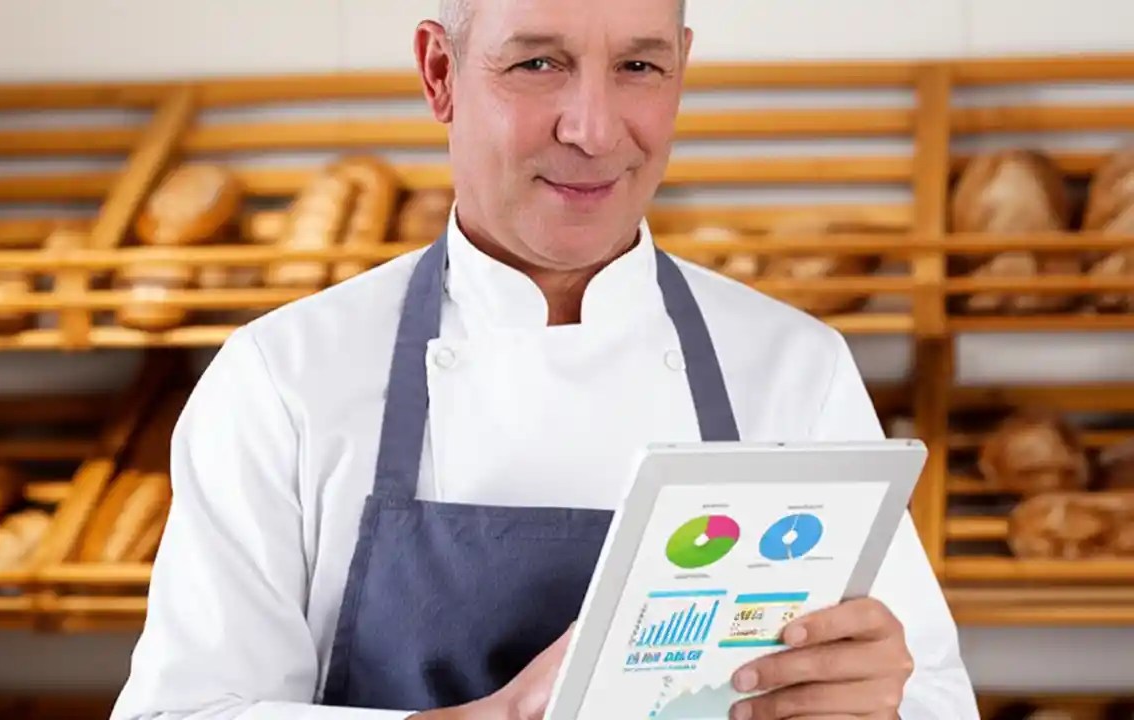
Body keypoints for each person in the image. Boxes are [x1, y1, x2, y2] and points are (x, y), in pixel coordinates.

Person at [111, 0, 980, 718]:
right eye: (537, 63)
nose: (593, 130)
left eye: (638, 66)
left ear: (681, 70)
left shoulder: (796, 371)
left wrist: (880, 707)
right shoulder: (282, 379)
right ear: (440, 74)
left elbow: (932, 698)